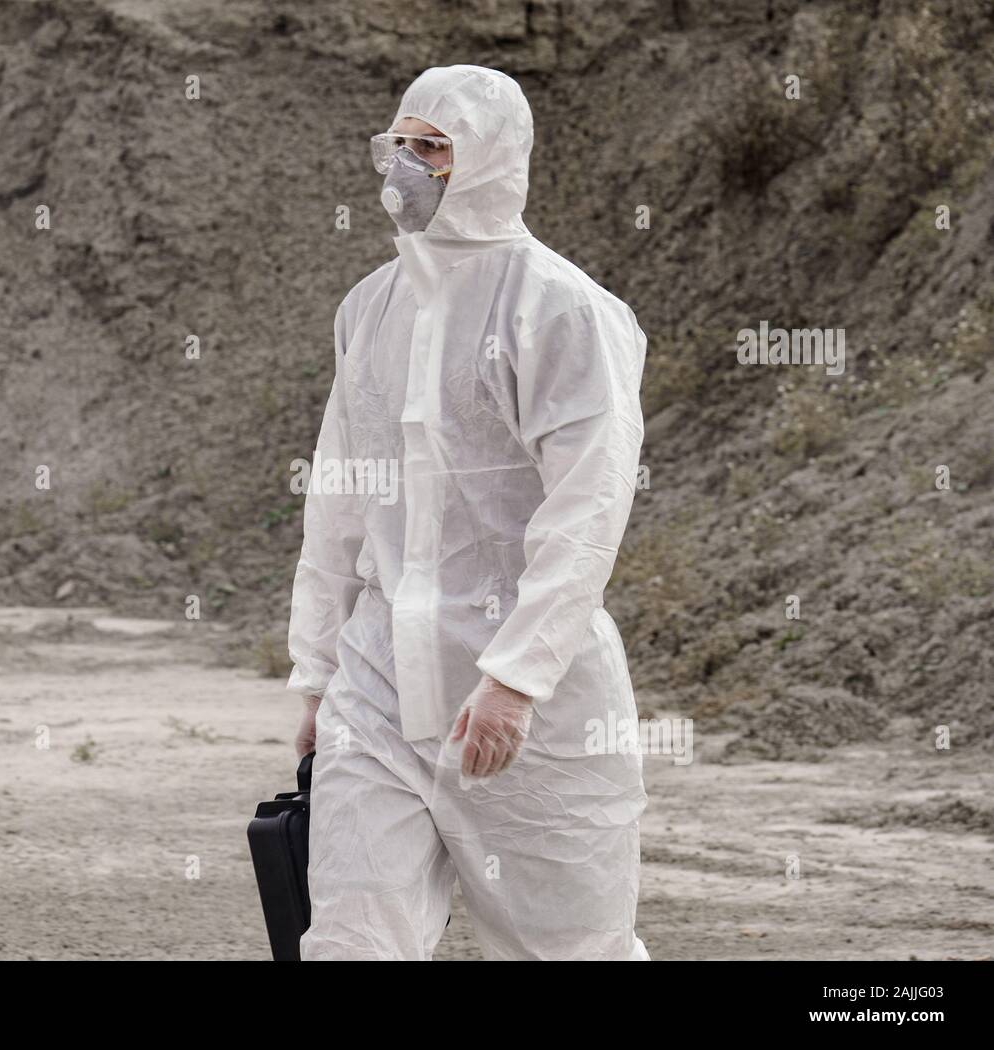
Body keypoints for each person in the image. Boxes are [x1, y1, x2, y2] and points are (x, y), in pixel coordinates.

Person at [285, 64, 650, 960]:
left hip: (529, 705)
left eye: (433, 146)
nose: (405, 164)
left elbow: (587, 507)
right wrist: (318, 673)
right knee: (351, 937)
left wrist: (517, 678)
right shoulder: (369, 308)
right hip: (379, 682)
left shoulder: (563, 310)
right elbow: (338, 499)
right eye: (397, 143)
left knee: (567, 948)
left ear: (490, 160)